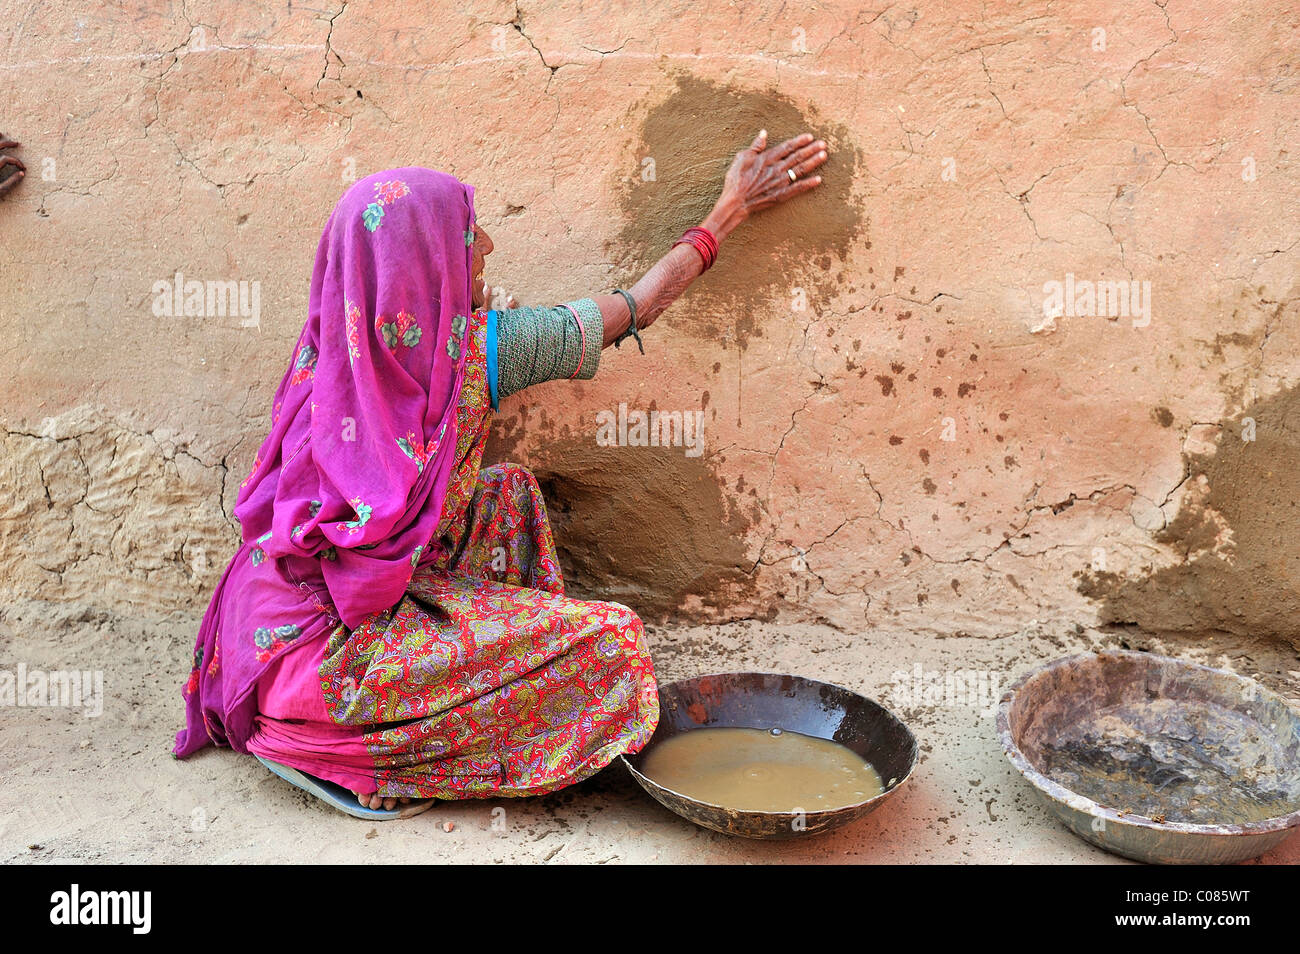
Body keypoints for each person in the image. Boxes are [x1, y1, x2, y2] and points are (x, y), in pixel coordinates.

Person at [174, 130, 829, 818]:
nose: (485, 246)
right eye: (467, 234)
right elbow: (638, 306)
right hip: (335, 671)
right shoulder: (481, 350)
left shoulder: (331, 353)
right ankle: (345, 751)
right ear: (424, 261)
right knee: (615, 644)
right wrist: (728, 210)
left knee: (506, 492)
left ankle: (448, 680)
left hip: (262, 627)